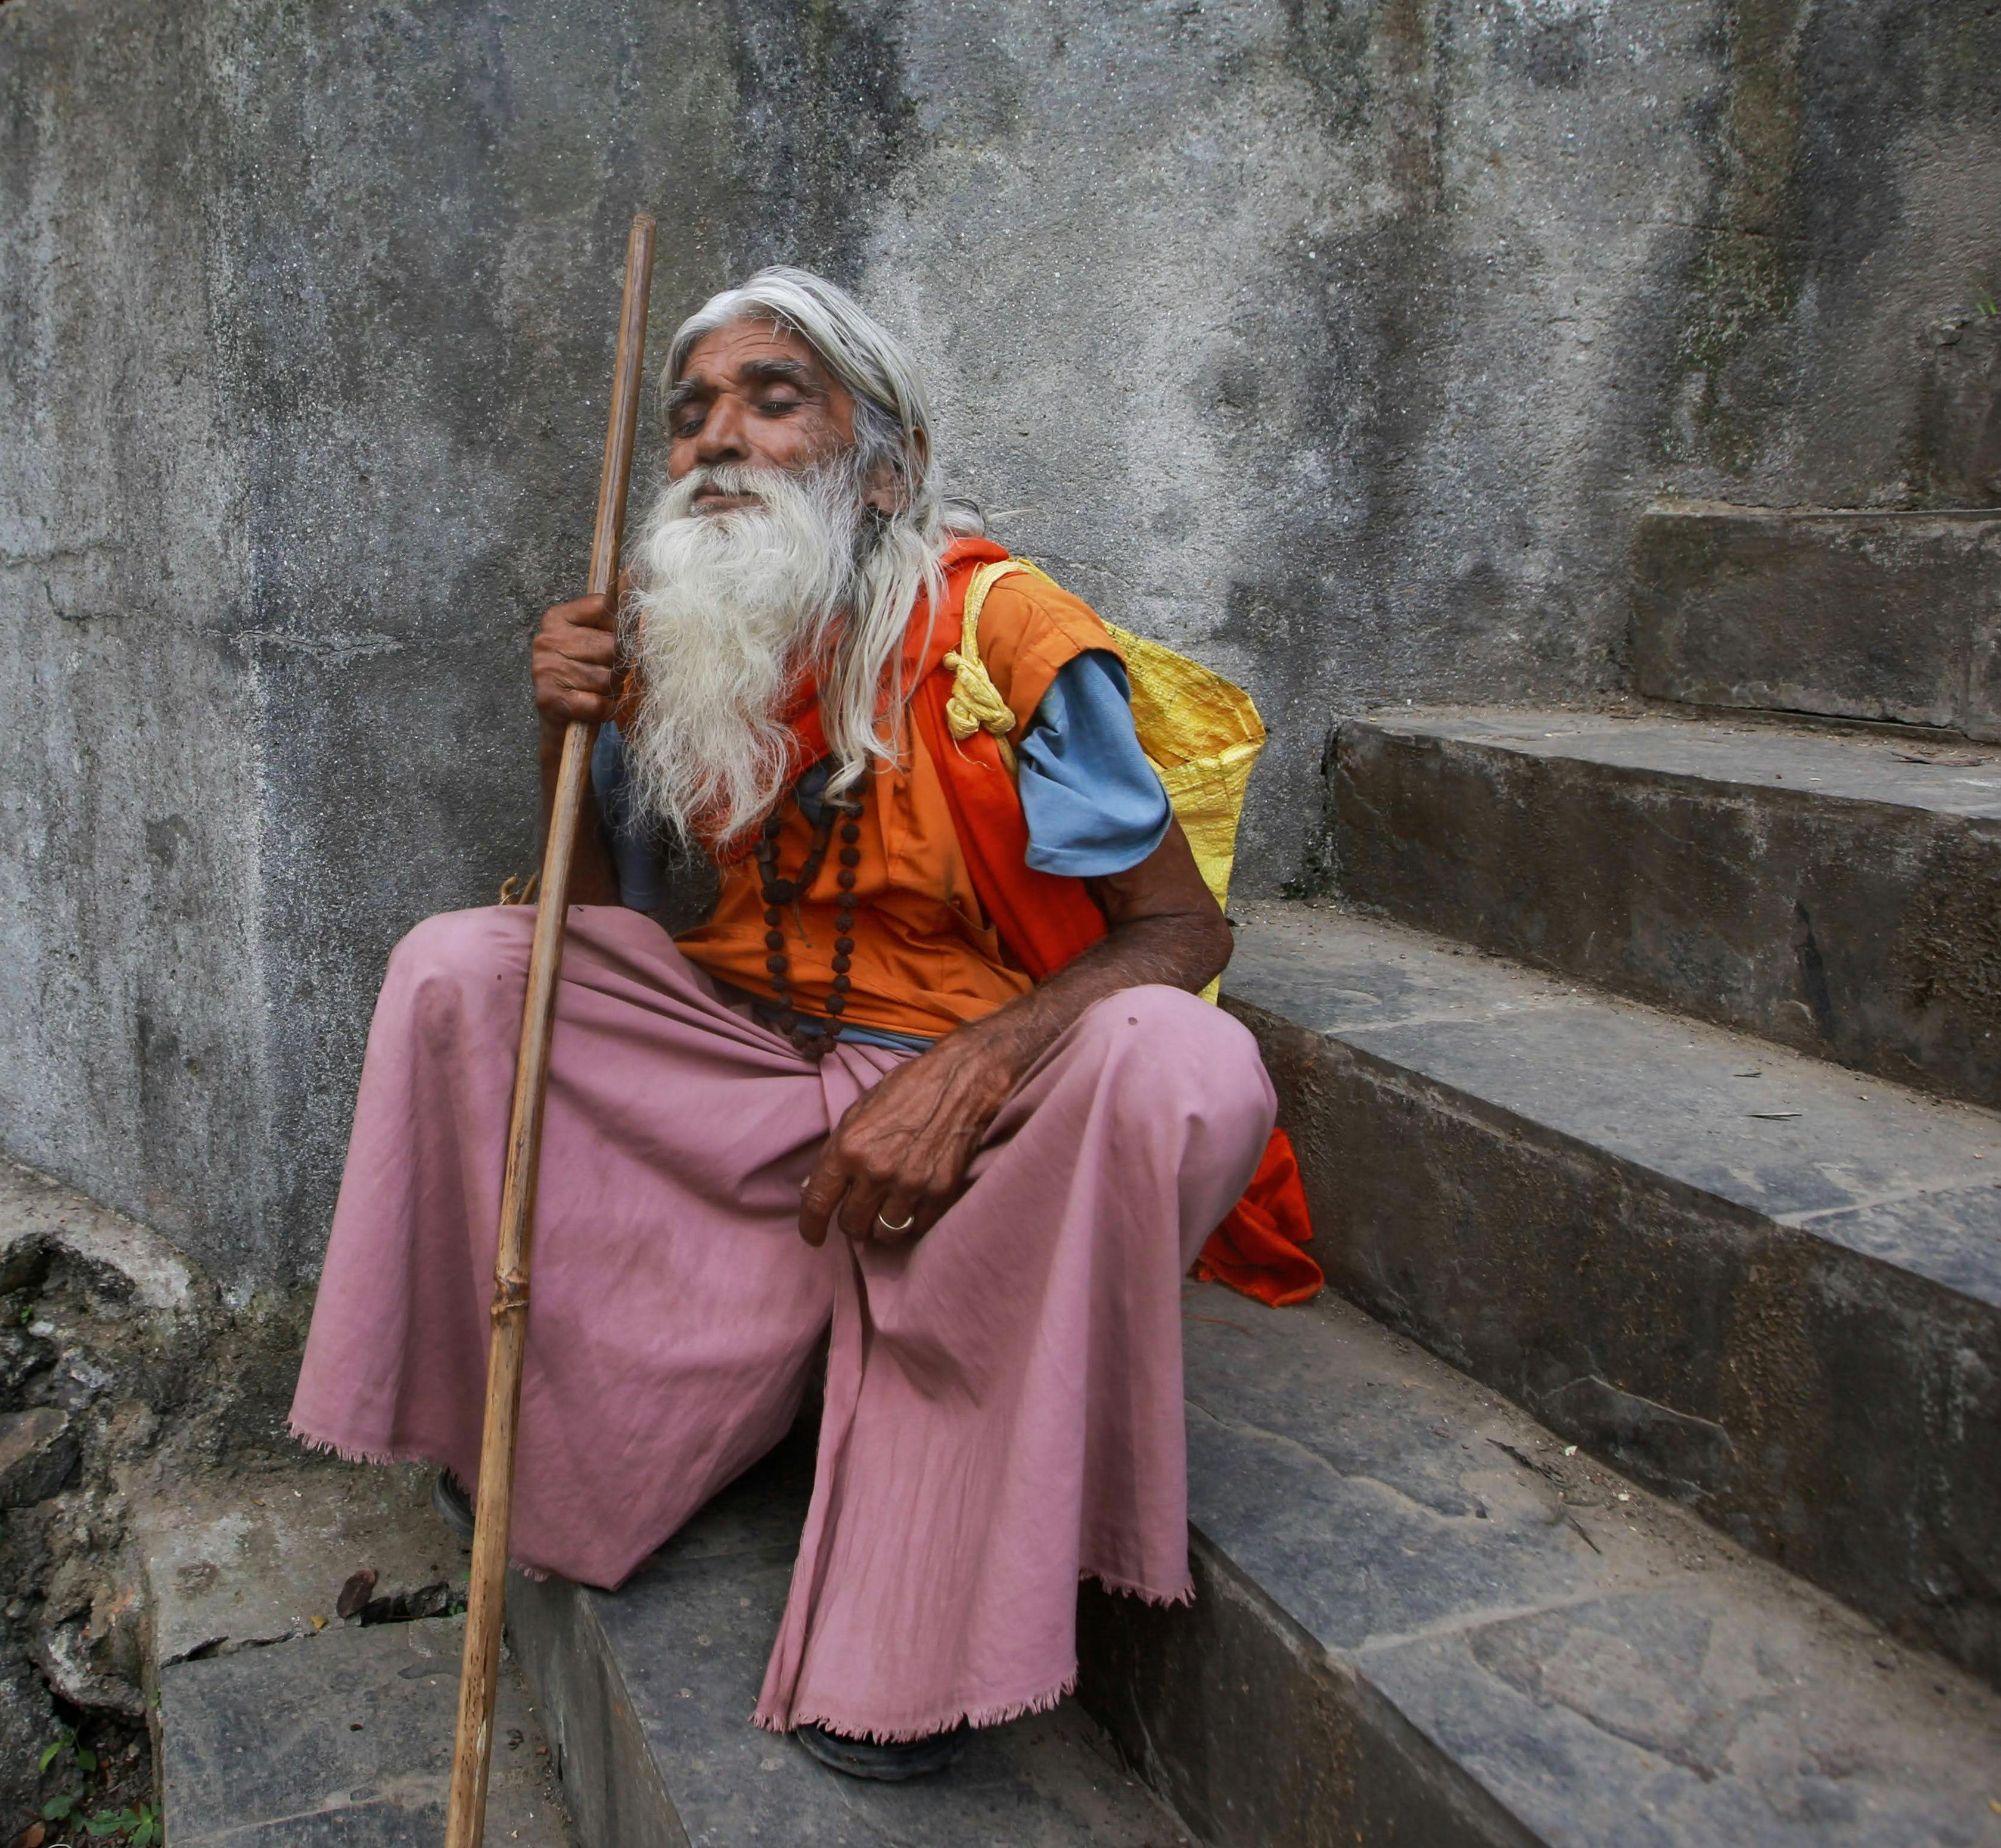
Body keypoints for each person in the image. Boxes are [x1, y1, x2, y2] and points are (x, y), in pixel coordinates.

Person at [290, 267, 1278, 1779]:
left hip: (978, 1087)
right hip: (751, 1061)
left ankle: (920, 1630)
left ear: (881, 466)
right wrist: (562, 735)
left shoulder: (999, 630)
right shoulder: (684, 628)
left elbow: (1181, 931)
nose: (715, 443)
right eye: (689, 417)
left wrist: (970, 1068)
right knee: (462, 969)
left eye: (772, 399)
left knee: (1189, 1064)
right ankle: (545, 1447)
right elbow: (597, 917)